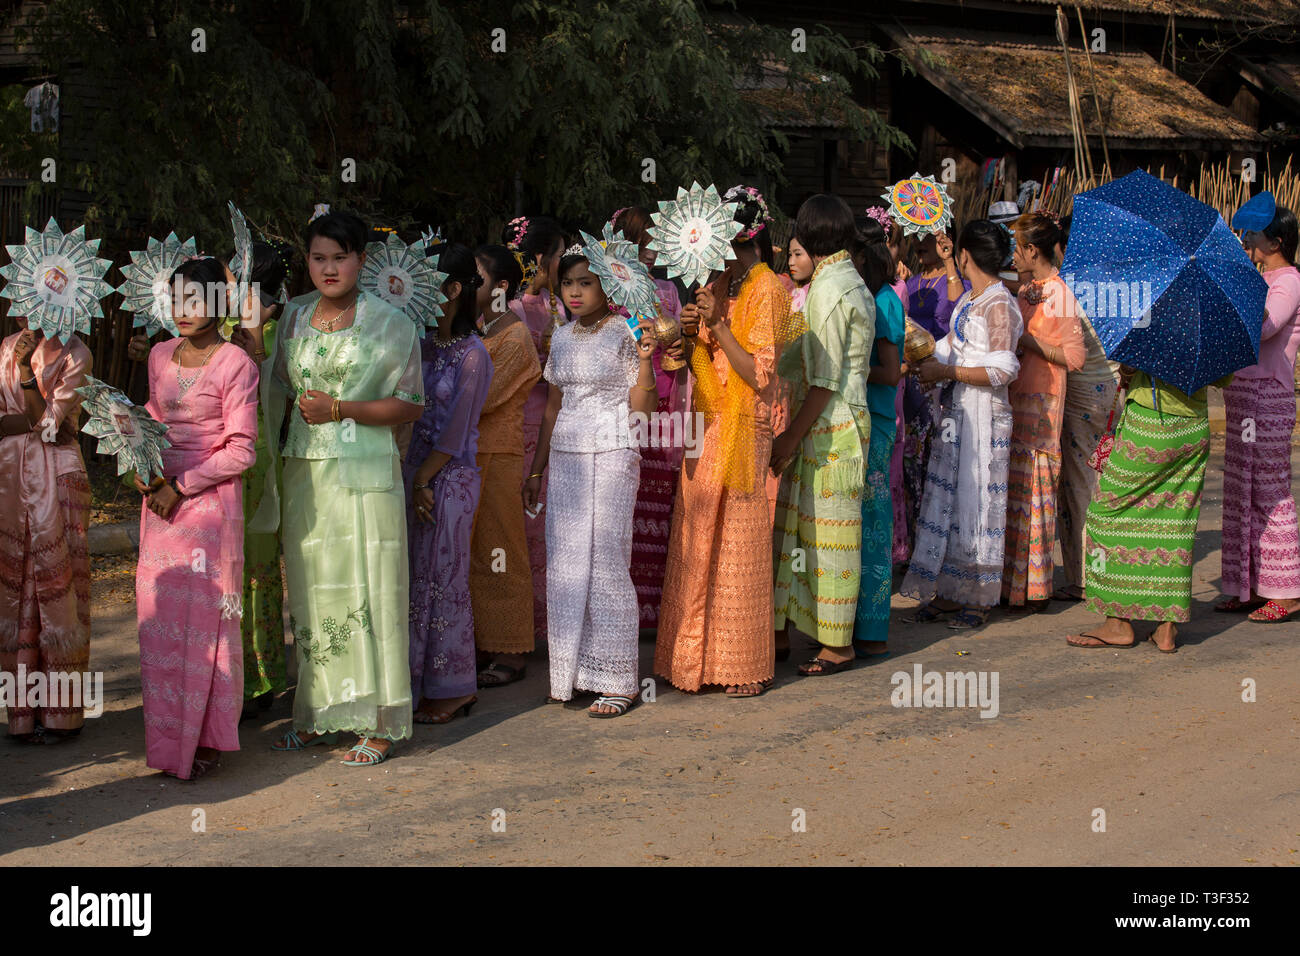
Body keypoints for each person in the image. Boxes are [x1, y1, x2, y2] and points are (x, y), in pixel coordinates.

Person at [256, 209, 424, 766]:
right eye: (318, 258)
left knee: (371, 588)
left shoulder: (390, 322)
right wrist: (252, 341)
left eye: (340, 257)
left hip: (366, 472)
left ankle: (379, 722)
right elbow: (272, 383)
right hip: (306, 467)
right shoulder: (296, 318)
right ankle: (321, 713)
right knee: (314, 589)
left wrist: (341, 409)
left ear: (362, 260)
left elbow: (411, 404)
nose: (329, 268)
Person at [654, 187, 794, 698]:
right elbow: (706, 372)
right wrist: (688, 337)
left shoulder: (770, 291)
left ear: (740, 237)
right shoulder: (723, 285)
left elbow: (759, 377)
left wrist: (716, 323)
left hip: (744, 427)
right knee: (696, 535)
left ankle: (743, 662)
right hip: (707, 423)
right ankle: (691, 656)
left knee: (737, 539)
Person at [135, 257, 259, 778]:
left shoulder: (237, 363)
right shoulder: (160, 355)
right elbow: (153, 421)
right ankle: (167, 743)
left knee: (205, 624)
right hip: (159, 503)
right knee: (160, 624)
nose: (184, 311)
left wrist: (182, 486)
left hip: (207, 505)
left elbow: (242, 450)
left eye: (196, 299)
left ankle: (206, 739)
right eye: (177, 299)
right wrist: (141, 468)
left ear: (220, 302)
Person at [523, 249, 657, 716]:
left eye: (586, 283)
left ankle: (619, 679)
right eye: (567, 284)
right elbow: (552, 408)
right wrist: (536, 471)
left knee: (605, 559)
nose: (575, 292)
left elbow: (644, 411)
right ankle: (573, 674)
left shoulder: (626, 332)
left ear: (607, 287)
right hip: (566, 457)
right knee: (565, 564)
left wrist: (644, 361)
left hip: (615, 450)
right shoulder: (558, 339)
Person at [772, 193, 875, 675]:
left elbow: (823, 380)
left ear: (811, 236)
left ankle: (838, 646)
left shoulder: (829, 289)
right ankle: (790, 632)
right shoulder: (847, 279)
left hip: (833, 427)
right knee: (807, 529)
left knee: (831, 535)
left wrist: (789, 438)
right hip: (840, 420)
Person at [902, 220, 1023, 630]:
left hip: (984, 415)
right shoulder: (969, 300)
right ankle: (951, 591)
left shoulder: (999, 303)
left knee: (977, 501)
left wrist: (947, 373)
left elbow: (1004, 369)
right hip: (956, 412)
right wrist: (916, 344)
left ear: (965, 255)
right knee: (950, 499)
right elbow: (950, 347)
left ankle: (979, 596)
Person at [1066, 368, 1230, 652]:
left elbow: (1130, 366)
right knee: (1175, 519)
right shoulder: (1216, 327)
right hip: (1194, 427)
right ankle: (1167, 627)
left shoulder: (1153, 322)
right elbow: (1222, 377)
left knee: (1105, 515)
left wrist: (1129, 371)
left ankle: (1117, 622)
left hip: (1152, 421)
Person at [406, 243, 493, 723]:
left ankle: (455, 686)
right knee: (415, 582)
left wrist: (423, 478)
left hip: (451, 478)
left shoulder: (474, 354)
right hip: (414, 474)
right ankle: (417, 682)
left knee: (445, 583)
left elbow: (458, 431)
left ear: (453, 289)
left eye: (426, 283)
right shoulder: (418, 344)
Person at [0, 317, 92, 743]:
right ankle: (19, 714)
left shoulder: (76, 353)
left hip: (58, 478)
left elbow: (50, 424)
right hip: (10, 477)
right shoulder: (4, 346)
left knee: (58, 591)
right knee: (15, 590)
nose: (28, 313)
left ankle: (61, 715)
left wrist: (24, 378)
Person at [1217, 203, 1300, 622]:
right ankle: (1248, 585)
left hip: (1268, 398)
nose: (1246, 242)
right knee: (1240, 490)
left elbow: (1265, 328)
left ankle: (1285, 592)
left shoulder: (1288, 281)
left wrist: (1240, 287)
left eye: (1252, 235)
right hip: (1242, 394)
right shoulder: (1260, 277)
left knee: (1268, 489)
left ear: (1276, 242)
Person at [1002, 213, 1085, 611]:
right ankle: (1011, 585)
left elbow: (1074, 357)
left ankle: (1035, 588)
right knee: (1017, 492)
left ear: (1032, 250)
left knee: (1037, 496)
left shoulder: (1061, 294)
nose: (1012, 254)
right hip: (1018, 399)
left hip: (1045, 403)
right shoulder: (1025, 291)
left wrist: (1030, 341)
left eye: (1017, 247)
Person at [469, 245, 541, 688]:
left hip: (498, 454)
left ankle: (511, 648)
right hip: (472, 453)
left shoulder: (514, 337)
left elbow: (483, 398)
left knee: (500, 551)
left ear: (499, 287)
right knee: (474, 551)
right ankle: (478, 640)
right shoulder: (482, 328)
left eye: (475, 277)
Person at [612, 205, 686, 629]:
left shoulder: (668, 291)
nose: (652, 251)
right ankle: (625, 609)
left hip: (663, 405)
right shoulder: (611, 294)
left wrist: (678, 350)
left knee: (658, 500)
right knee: (627, 498)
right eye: (644, 243)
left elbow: (676, 348)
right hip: (622, 403)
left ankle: (655, 611)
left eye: (656, 242)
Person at [227, 241, 292, 719]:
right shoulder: (221, 334)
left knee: (259, 572)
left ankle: (263, 678)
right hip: (225, 463)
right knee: (228, 571)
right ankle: (229, 674)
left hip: (265, 462)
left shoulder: (281, 335)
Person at [504, 215, 568, 647]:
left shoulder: (561, 307)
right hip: (519, 429)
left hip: (554, 428)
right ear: (543, 259)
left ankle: (547, 628)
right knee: (521, 532)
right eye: (561, 256)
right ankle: (518, 628)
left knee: (549, 533)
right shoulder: (511, 311)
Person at [1053, 215, 1121, 602]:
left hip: (1080, 393)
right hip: (1112, 392)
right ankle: (1107, 567)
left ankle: (1084, 577)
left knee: (1079, 483)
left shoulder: (1070, 286)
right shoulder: (1118, 283)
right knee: (1106, 482)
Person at [851, 220, 905, 659]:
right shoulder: (866, 298)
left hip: (878, 418)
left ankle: (873, 627)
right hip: (858, 416)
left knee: (873, 523)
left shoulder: (885, 301)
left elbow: (890, 372)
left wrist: (847, 368)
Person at [900, 229, 969, 560]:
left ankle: (936, 547)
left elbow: (955, 316)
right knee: (911, 462)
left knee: (935, 463)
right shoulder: (910, 282)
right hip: (910, 383)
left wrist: (949, 263)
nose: (920, 244)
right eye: (916, 238)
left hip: (940, 381)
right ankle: (913, 544)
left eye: (928, 238)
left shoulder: (955, 281)